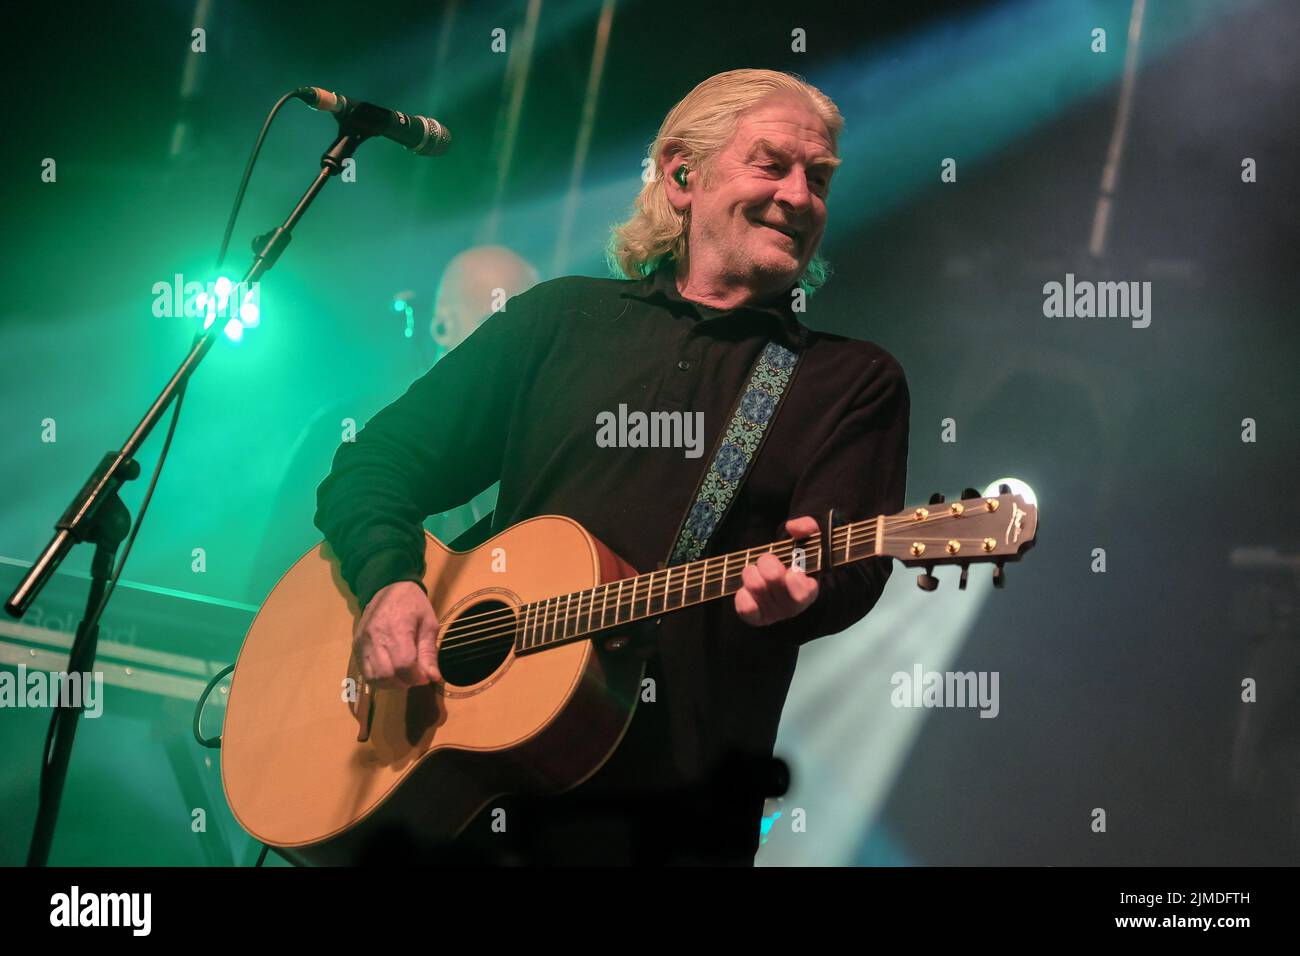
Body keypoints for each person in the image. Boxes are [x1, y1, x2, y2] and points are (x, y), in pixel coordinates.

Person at [314, 69, 910, 865]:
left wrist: (799, 595)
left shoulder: (847, 381)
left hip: (667, 824)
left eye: (821, 178)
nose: (801, 197)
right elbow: (373, 466)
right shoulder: (559, 320)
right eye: (772, 165)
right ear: (681, 175)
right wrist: (390, 582)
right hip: (456, 802)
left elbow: (846, 568)